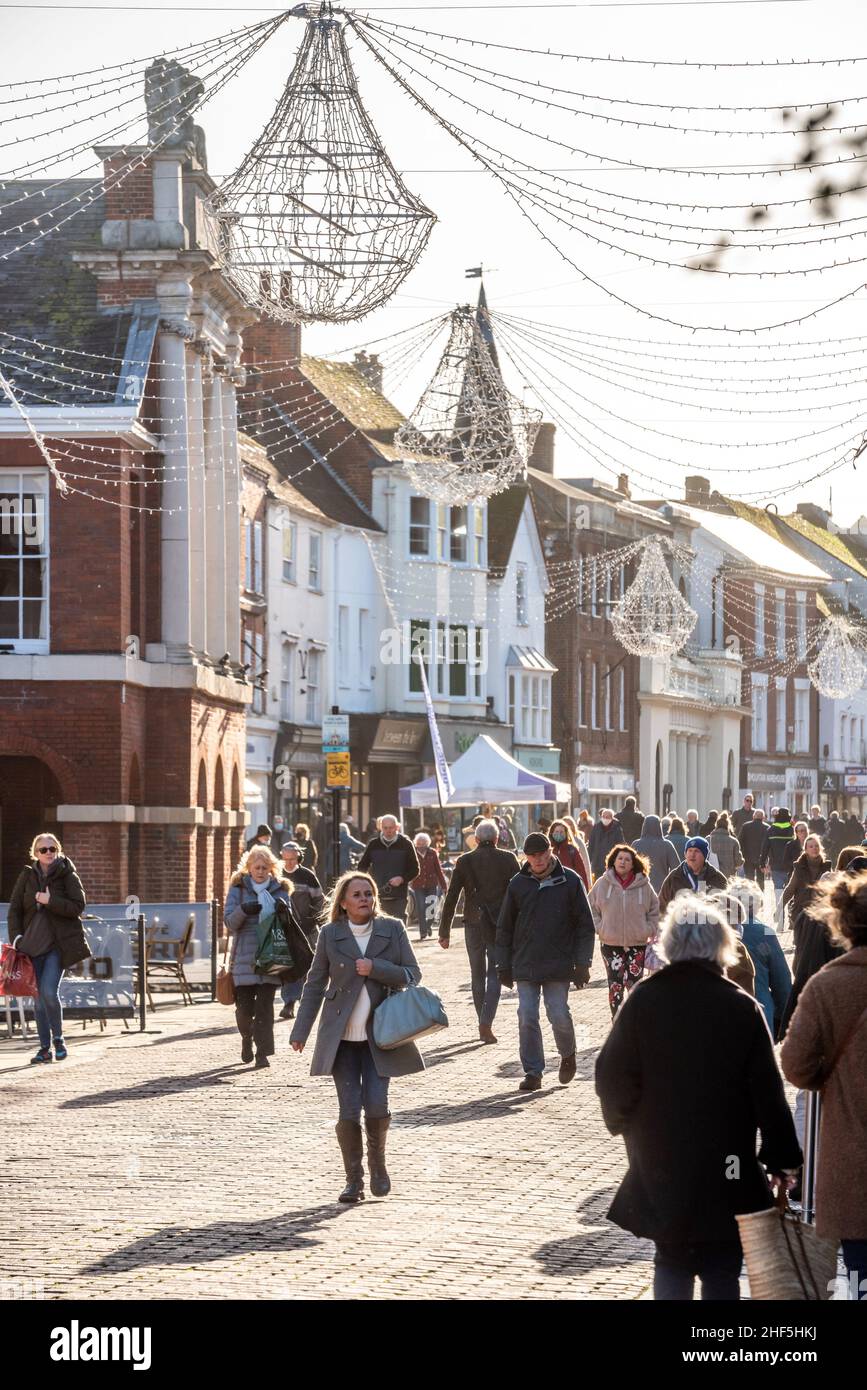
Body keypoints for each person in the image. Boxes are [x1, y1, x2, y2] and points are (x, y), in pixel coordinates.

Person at [596, 894, 802, 1301]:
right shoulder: (741, 1006)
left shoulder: (644, 999)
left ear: (670, 944)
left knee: (671, 1257)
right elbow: (768, 1090)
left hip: (660, 1153)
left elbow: (610, 1074)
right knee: (722, 1262)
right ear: (721, 944)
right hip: (728, 1159)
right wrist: (782, 1158)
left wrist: (625, 1123)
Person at [290, 872, 423, 1203]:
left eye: (369, 893)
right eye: (357, 894)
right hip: (342, 1040)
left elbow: (413, 974)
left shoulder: (392, 929)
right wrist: (300, 1030)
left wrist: (375, 967)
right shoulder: (330, 934)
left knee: (377, 1104)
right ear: (344, 902)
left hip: (382, 1037)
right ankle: (354, 1180)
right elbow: (315, 983)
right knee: (348, 1110)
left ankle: (378, 1165)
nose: (364, 898)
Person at [781, 869, 867, 1300]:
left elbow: (795, 1064)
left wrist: (825, 1077)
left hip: (851, 1151)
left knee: (859, 1263)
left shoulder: (828, 984)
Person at [495, 832, 595, 1092]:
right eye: (532, 856)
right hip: (525, 962)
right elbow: (505, 927)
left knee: (558, 1013)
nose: (538, 860)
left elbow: (585, 925)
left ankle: (567, 1053)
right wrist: (503, 965)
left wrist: (582, 962)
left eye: (542, 854)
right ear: (525, 857)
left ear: (550, 852)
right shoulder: (518, 883)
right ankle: (533, 1072)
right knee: (527, 1015)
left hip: (558, 962)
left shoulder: (569, 881)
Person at [7, 833, 89, 1064]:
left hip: (57, 946)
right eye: (43, 849)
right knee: (38, 998)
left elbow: (78, 906)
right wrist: (17, 939)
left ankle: (59, 1040)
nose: (49, 852)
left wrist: (50, 901)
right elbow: (15, 910)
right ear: (35, 853)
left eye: (52, 848)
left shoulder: (67, 874)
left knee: (49, 993)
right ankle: (44, 1048)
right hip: (31, 947)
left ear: (58, 850)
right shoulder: (26, 876)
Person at [438, 819, 520, 1043]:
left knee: (477, 974)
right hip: (499, 924)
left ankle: (481, 1021)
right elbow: (520, 892)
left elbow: (452, 896)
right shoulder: (508, 858)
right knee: (496, 972)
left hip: (473, 922)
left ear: (475, 839)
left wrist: (444, 931)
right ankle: (486, 1022)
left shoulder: (464, 861)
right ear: (496, 839)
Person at [224, 847, 292, 1068]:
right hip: (244, 956)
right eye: (257, 868)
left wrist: (282, 911)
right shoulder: (238, 889)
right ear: (249, 868)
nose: (261, 872)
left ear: (271, 868)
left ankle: (262, 1053)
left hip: (270, 954)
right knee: (244, 1010)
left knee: (265, 1009)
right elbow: (229, 923)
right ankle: (246, 1037)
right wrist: (244, 909)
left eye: (265, 868)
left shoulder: (280, 889)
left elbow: (289, 923)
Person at [588, 845, 659, 1019]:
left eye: (627, 859)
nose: (623, 862)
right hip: (611, 944)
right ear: (613, 861)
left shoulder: (644, 885)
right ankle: (617, 1024)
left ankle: (635, 1024)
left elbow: (654, 909)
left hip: (637, 943)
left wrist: (648, 929)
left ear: (633, 864)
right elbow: (590, 908)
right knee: (615, 985)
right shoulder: (603, 883)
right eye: (620, 858)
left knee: (635, 986)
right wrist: (600, 927)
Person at [718, 881, 791, 1038]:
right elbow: (782, 982)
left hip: (725, 1014)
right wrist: (782, 1019)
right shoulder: (766, 932)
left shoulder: (718, 930)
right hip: (761, 1012)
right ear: (756, 904)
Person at [277, 842, 325, 1020]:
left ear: (298, 857)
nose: (289, 863)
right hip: (286, 929)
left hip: (307, 928)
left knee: (309, 965)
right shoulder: (276, 876)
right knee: (290, 966)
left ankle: (307, 1000)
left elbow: (319, 900)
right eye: (286, 859)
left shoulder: (307, 876)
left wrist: (312, 919)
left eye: (292, 859)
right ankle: (289, 1002)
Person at [357, 814, 420, 925]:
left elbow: (415, 869)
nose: (388, 831)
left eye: (391, 827)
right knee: (379, 926)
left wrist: (402, 879)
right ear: (381, 828)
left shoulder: (406, 844)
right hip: (378, 893)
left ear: (397, 827)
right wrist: (368, 883)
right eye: (385, 828)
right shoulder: (373, 844)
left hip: (399, 894)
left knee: (398, 926)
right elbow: (362, 867)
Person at [657, 837, 727, 918]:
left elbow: (729, 909)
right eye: (689, 850)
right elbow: (661, 908)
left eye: (697, 851)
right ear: (685, 854)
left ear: (704, 855)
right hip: (680, 928)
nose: (692, 855)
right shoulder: (674, 877)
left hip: (708, 928)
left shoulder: (717, 878)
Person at [781, 833, 830, 940]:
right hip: (801, 909)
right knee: (801, 942)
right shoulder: (799, 867)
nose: (814, 848)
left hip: (820, 910)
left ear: (820, 848)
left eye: (816, 846)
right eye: (811, 846)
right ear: (806, 849)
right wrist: (781, 905)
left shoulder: (827, 866)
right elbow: (790, 889)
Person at [408, 831, 447, 941]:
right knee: (421, 907)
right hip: (418, 885)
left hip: (431, 884)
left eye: (423, 843)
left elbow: (439, 871)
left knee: (432, 907)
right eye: (419, 843)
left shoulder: (432, 853)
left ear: (427, 843)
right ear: (416, 843)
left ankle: (428, 925)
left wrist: (444, 886)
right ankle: (423, 931)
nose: (421, 845)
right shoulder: (413, 853)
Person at [631, 815, 681, 894]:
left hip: (639, 887)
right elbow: (676, 868)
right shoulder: (667, 845)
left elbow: (630, 867)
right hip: (661, 888)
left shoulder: (636, 844)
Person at [760, 807, 795, 908]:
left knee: (778, 890)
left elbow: (765, 847)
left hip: (776, 866)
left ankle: (780, 912)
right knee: (791, 890)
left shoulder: (771, 830)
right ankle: (789, 910)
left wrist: (762, 863)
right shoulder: (792, 830)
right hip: (791, 867)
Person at [549, 818, 590, 890]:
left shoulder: (572, 850)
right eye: (557, 831)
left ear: (566, 834)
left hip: (570, 889)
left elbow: (582, 872)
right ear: (552, 833)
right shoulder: (547, 851)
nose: (559, 834)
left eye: (561, 832)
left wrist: (584, 890)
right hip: (551, 889)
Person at [588, 808, 623, 880]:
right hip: (597, 863)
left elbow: (620, 845)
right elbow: (591, 844)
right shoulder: (596, 827)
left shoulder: (617, 829)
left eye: (607, 817)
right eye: (603, 817)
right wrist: (590, 860)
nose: (605, 819)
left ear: (612, 818)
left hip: (611, 863)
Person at [709, 812, 745, 878]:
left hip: (711, 875)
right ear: (728, 826)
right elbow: (739, 861)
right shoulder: (734, 841)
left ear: (716, 825)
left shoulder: (708, 840)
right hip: (729, 876)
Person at [739, 808, 767, 887]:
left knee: (749, 878)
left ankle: (750, 896)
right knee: (761, 879)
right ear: (763, 818)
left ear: (753, 816)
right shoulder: (767, 828)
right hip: (762, 857)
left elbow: (740, 841)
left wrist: (741, 854)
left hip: (748, 857)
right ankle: (761, 896)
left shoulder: (746, 826)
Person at [562, 815, 592, 884]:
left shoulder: (578, 842)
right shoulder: (555, 844)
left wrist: (588, 882)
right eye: (565, 824)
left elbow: (586, 863)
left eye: (570, 824)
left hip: (576, 880)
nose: (568, 826)